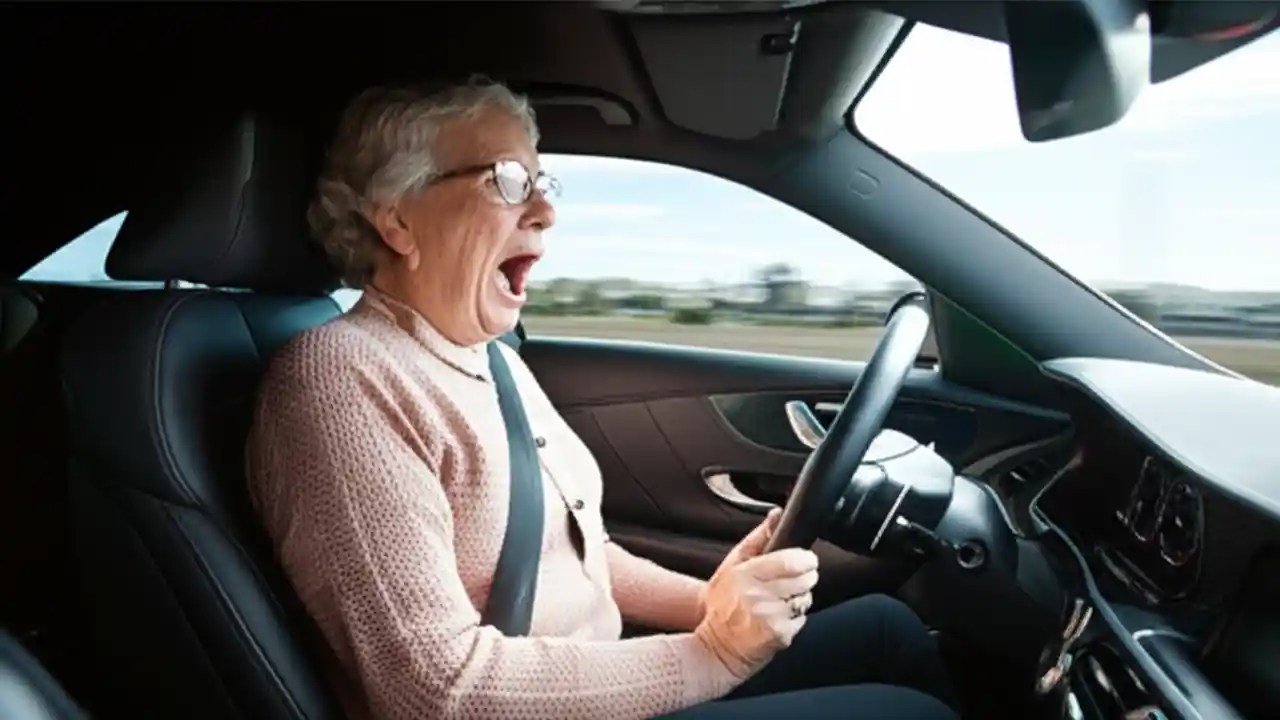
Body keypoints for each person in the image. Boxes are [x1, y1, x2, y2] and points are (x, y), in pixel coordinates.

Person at [246, 79, 958, 720]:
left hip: (599, 683)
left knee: (885, 629)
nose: (548, 210)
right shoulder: (339, 380)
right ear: (395, 217)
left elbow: (580, 554)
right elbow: (434, 691)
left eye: (542, 178)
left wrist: (711, 601)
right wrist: (712, 653)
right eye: (508, 180)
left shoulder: (490, 361)